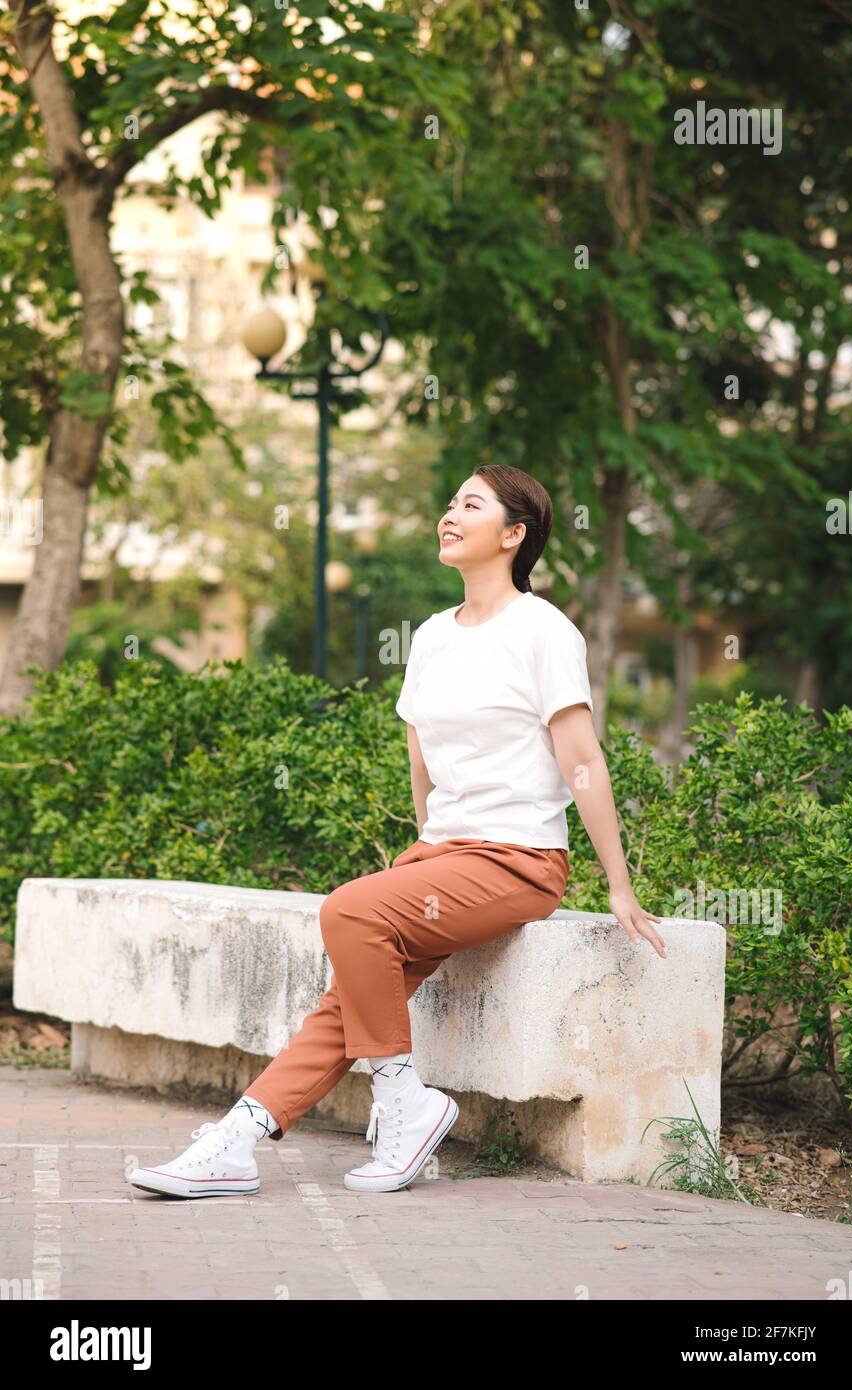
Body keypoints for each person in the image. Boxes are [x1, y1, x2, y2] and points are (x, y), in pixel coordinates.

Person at [127, 464, 663, 1200]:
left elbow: (581, 761)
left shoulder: (544, 631)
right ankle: (239, 1139)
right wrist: (423, 857)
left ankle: (406, 1103)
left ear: (514, 534)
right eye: (448, 503)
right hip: (445, 857)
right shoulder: (435, 636)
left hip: (520, 860)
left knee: (347, 908)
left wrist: (621, 885)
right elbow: (421, 756)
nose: (449, 514)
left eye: (470, 505)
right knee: (344, 1004)